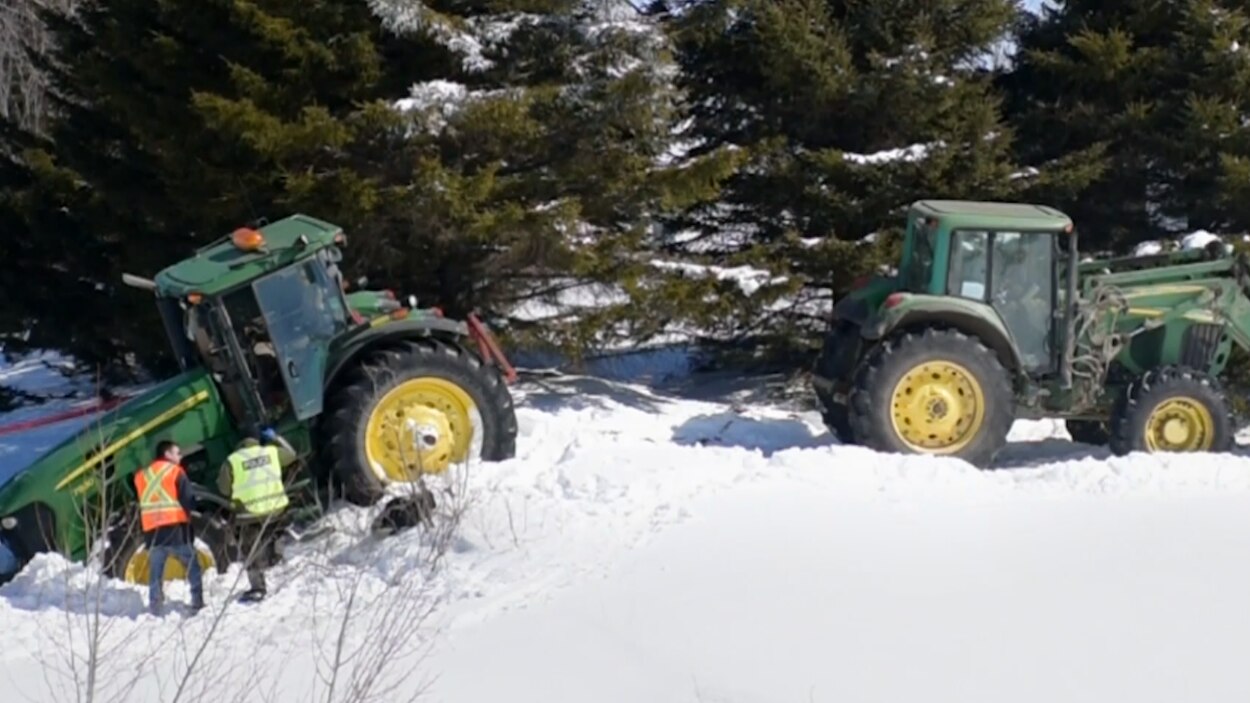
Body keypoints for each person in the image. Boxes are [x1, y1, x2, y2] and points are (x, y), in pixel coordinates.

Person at [217, 429, 296, 602]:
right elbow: (292, 455)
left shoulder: (232, 461)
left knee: (250, 549)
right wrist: (276, 438)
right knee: (274, 532)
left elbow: (224, 490)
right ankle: (278, 553)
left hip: (249, 514)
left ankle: (258, 588)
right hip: (276, 509)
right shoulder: (271, 452)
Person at [135, 440, 204, 615]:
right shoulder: (175, 471)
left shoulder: (142, 475)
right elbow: (188, 499)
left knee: (156, 571)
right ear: (167, 454)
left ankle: (155, 607)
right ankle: (197, 602)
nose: (180, 456)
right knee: (192, 566)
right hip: (175, 530)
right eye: (177, 453)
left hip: (152, 532)